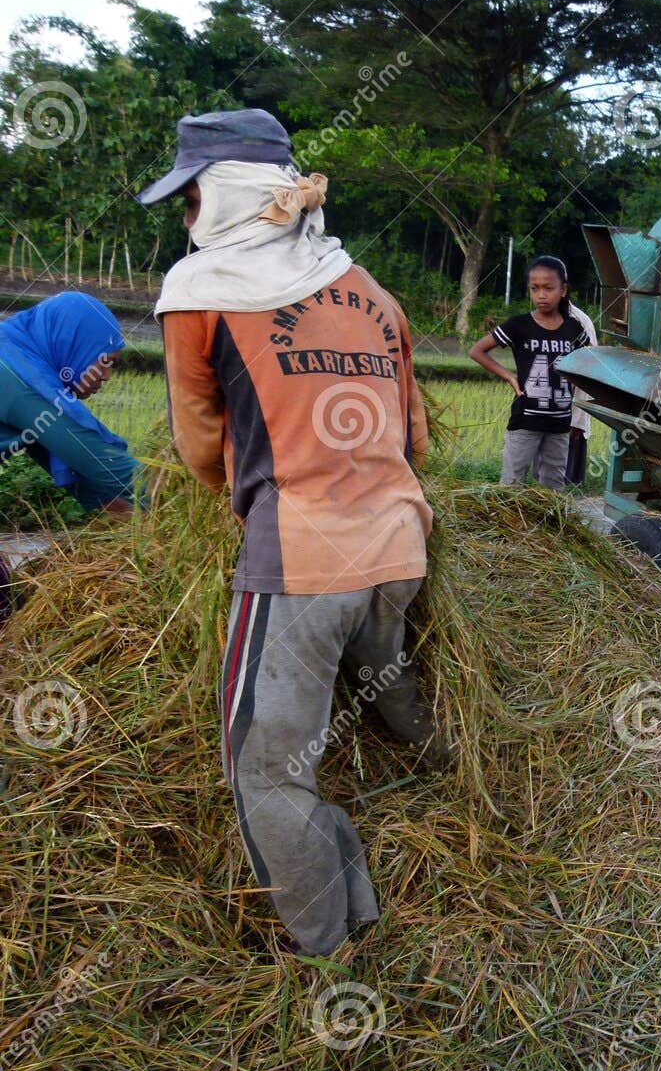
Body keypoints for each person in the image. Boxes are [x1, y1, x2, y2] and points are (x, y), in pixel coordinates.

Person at [137, 108, 444, 958]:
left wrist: (254, 503)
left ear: (223, 194)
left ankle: (327, 952)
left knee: (265, 773)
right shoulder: (372, 291)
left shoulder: (200, 294)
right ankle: (438, 761)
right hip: (401, 546)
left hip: (301, 566)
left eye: (189, 198)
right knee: (379, 665)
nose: (186, 219)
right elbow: (415, 438)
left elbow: (199, 442)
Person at [0, 292, 137, 517]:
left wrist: (125, 515)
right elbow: (101, 461)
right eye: (104, 361)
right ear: (71, 343)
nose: (106, 375)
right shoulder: (19, 379)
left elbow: (83, 473)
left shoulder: (17, 359)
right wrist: (185, 499)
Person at [470, 255, 595, 489]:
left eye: (548, 288)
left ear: (563, 289)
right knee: (511, 485)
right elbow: (477, 351)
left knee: (553, 489)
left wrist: (579, 414)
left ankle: (547, 526)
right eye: (534, 289)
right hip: (525, 420)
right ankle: (512, 527)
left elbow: (590, 362)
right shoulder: (519, 325)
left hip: (559, 425)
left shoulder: (573, 328)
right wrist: (509, 376)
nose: (541, 295)